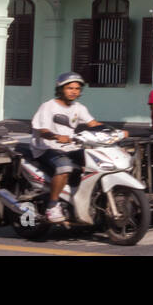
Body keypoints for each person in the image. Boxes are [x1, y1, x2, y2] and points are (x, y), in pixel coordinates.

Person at [31, 72, 118, 224]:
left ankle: (88, 199)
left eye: (77, 89)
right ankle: (52, 206)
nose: (74, 91)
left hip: (69, 146)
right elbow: (42, 130)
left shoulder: (79, 107)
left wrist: (115, 131)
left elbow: (93, 124)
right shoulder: (48, 106)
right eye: (70, 88)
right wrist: (56, 137)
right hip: (46, 148)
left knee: (97, 159)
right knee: (65, 167)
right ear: (61, 89)